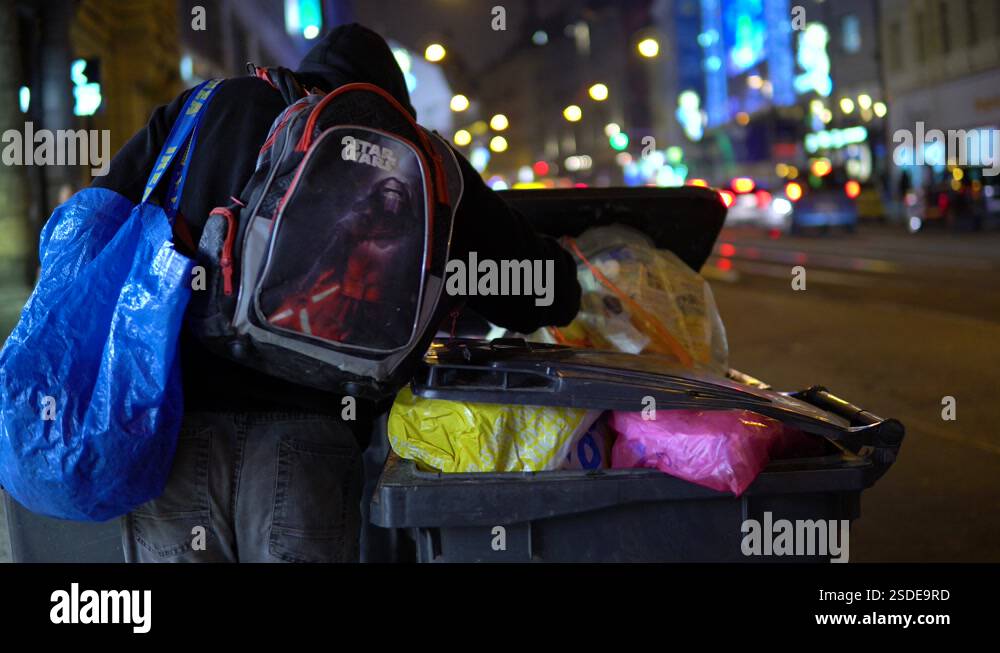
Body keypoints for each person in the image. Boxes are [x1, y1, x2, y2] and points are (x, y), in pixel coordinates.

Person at [94, 23, 581, 563]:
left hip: (176, 434)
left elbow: (93, 230)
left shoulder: (211, 107)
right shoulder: (425, 162)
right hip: (313, 448)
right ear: (393, 108)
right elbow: (547, 294)